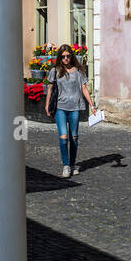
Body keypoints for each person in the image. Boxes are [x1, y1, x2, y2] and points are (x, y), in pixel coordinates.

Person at [45, 44, 94, 178]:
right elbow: (50, 89)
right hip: (60, 107)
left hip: (75, 108)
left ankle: (72, 165)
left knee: (74, 137)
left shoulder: (79, 71)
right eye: (63, 57)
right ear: (60, 58)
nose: (66, 59)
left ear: (71, 56)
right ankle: (66, 166)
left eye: (68, 56)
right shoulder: (55, 71)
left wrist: (92, 105)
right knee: (63, 137)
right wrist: (47, 105)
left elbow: (84, 88)